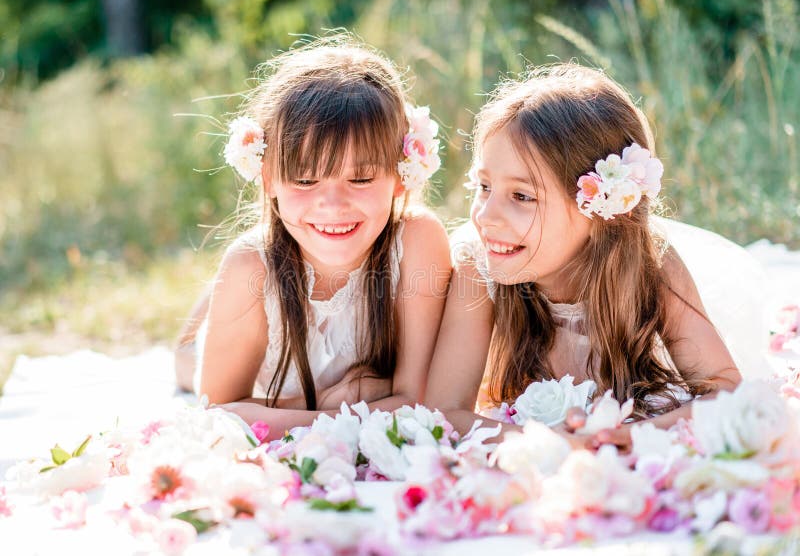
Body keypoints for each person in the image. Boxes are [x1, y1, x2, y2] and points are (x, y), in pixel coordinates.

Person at [424, 63, 743, 450]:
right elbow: (445, 411)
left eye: (522, 197)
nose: (486, 216)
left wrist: (634, 436)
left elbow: (725, 389)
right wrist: (549, 443)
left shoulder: (652, 267)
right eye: (484, 186)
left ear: (601, 208)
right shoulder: (477, 269)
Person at [193, 37, 450, 435]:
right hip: (246, 296)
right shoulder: (249, 268)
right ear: (267, 178)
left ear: (402, 174)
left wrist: (286, 413)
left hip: (267, 372)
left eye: (361, 178)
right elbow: (214, 413)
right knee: (184, 357)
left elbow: (417, 400)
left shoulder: (418, 242)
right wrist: (327, 405)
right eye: (306, 179)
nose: (333, 204)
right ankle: (201, 314)